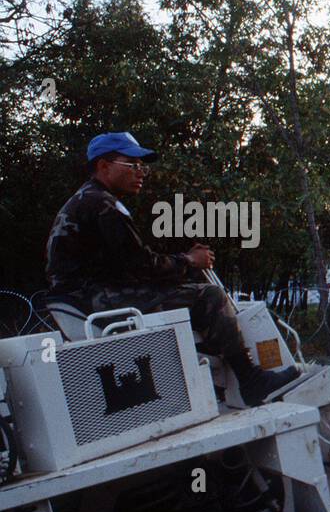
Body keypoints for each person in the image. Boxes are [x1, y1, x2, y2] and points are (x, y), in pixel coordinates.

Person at [45, 132, 299, 407]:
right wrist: (190, 261)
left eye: (143, 166)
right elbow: (144, 266)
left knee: (182, 290)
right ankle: (251, 381)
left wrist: (180, 266)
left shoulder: (87, 199)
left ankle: (215, 374)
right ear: (104, 166)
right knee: (209, 296)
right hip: (96, 300)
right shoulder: (103, 205)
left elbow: (129, 266)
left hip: (87, 298)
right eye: (133, 165)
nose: (141, 172)